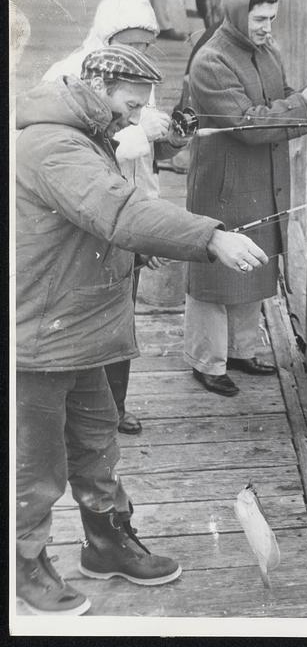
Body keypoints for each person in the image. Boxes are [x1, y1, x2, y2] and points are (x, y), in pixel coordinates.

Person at [15, 44, 268, 615]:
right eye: (130, 105)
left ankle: (105, 543)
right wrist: (211, 236)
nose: (135, 118)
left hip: (79, 329)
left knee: (98, 435)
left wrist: (135, 251)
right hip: (40, 334)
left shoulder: (86, 134)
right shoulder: (55, 145)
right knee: (35, 463)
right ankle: (24, 564)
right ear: (98, 90)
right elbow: (119, 209)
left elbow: (97, 220)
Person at [183, 0, 307, 397]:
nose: (267, 28)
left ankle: (242, 350)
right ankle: (207, 361)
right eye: (259, 19)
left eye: (271, 18)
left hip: (261, 182)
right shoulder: (211, 61)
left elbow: (280, 98)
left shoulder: (266, 50)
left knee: (253, 265)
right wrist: (303, 104)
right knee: (213, 276)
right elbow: (248, 124)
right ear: (237, 14)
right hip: (222, 184)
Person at [44, 0, 188, 435]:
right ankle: (69, 411)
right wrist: (139, 137)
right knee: (79, 312)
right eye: (133, 45)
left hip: (130, 212)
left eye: (148, 45)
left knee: (122, 314)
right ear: (108, 38)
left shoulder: (139, 83)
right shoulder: (67, 76)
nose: (143, 54)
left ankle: (114, 408)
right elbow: (75, 158)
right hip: (84, 219)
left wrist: (168, 143)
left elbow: (144, 157)